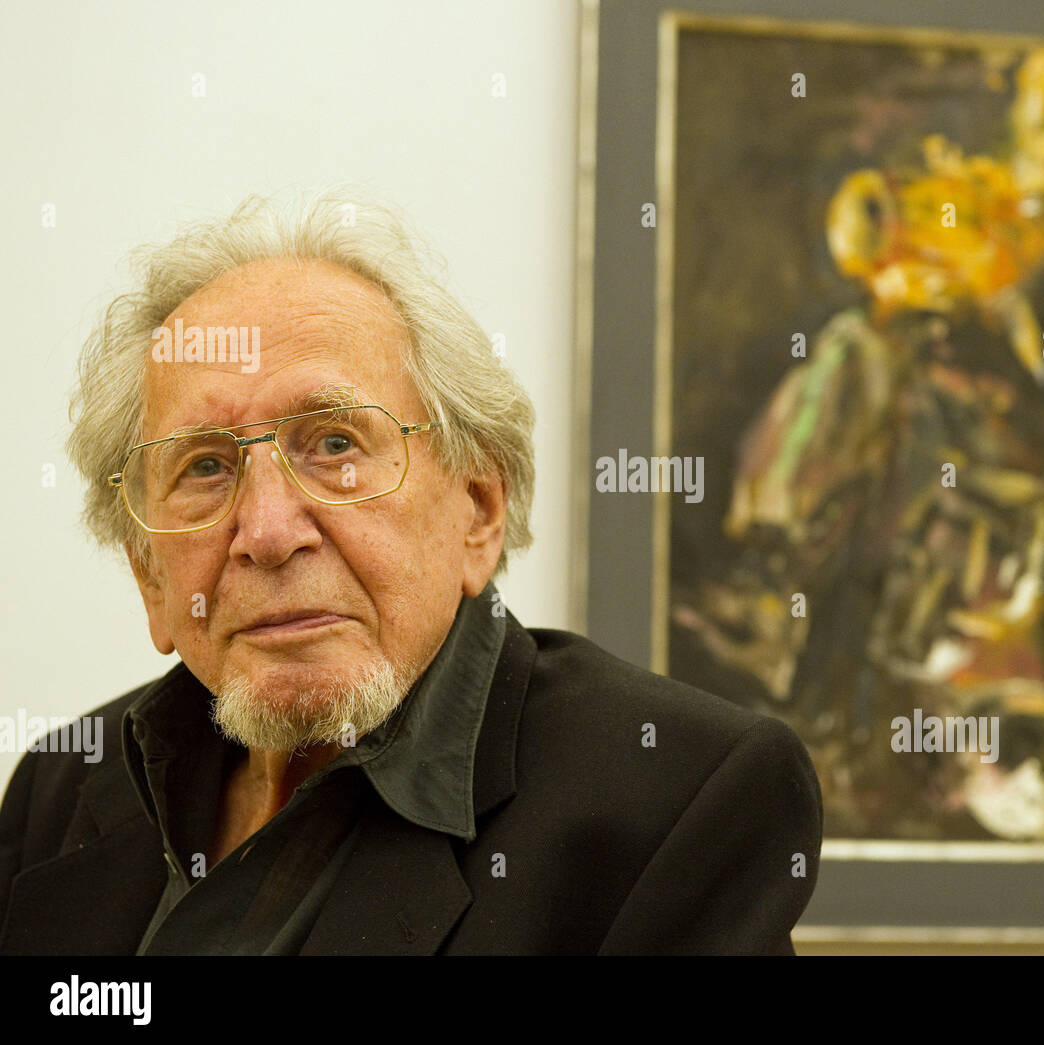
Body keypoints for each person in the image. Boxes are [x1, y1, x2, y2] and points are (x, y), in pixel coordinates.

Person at [0, 192, 822, 955]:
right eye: (206, 467)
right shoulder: (62, 791)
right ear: (150, 575)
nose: (269, 532)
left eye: (333, 445)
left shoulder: (678, 802)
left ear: (477, 512)